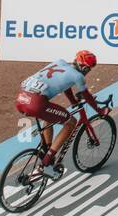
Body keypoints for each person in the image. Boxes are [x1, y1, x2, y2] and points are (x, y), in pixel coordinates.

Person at [15, 50, 99, 180]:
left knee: (48, 115)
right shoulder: (78, 77)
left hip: (22, 99)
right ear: (85, 67)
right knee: (70, 122)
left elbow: (66, 85)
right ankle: (46, 163)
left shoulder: (60, 62)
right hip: (36, 103)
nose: (88, 72)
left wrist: (73, 101)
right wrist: (99, 111)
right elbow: (87, 96)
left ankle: (47, 151)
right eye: (89, 69)